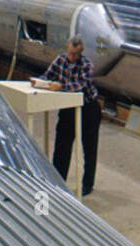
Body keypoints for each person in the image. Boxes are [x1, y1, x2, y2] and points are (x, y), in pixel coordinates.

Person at [33, 37, 101, 196]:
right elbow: (48, 75)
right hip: (68, 107)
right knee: (62, 146)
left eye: (75, 55)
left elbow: (80, 86)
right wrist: (41, 83)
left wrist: (60, 86)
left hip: (88, 108)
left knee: (89, 148)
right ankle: (58, 180)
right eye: (70, 53)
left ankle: (87, 184)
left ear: (80, 53)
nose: (71, 58)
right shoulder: (60, 60)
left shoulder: (86, 65)